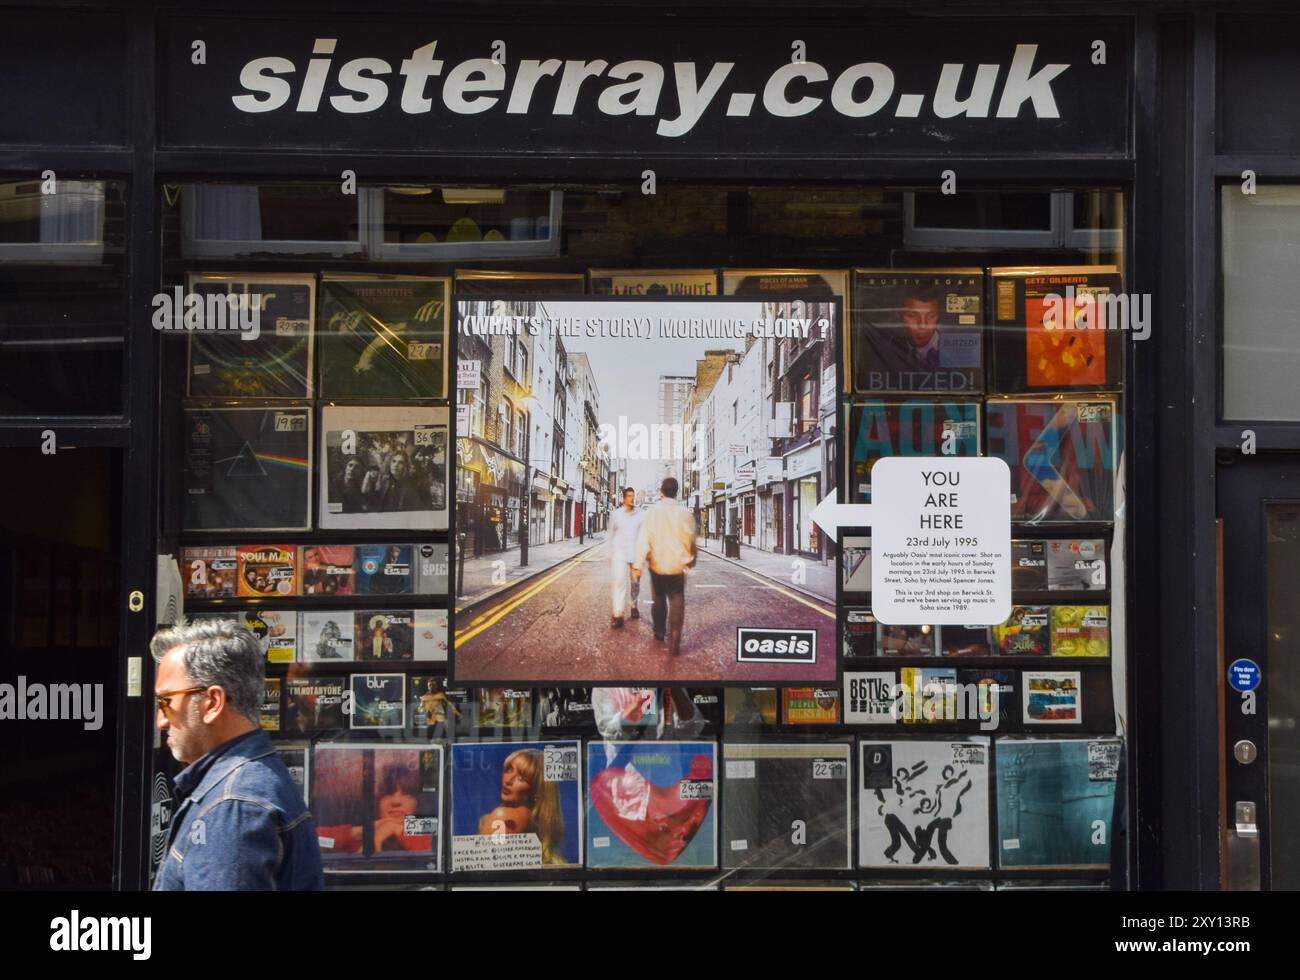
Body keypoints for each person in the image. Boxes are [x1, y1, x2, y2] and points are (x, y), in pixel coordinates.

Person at [151, 620, 323, 890]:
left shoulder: (233, 806)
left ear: (213, 702)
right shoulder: (246, 784)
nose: (161, 720)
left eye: (166, 701)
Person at [632, 476, 697, 657]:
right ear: (677, 491)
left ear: (661, 491)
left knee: (658, 597)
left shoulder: (652, 512)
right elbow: (691, 539)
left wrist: (638, 564)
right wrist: (691, 559)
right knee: (677, 598)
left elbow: (644, 539)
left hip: (657, 564)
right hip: (677, 564)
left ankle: (660, 631)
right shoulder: (685, 512)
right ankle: (675, 633)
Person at [477, 747, 567, 865]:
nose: (508, 780)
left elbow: (482, 871)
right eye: (509, 770)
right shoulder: (535, 826)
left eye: (521, 778)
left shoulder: (503, 815)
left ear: (537, 791)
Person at [608, 486, 643, 628]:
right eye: (629, 496)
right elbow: (610, 535)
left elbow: (644, 535)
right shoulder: (616, 515)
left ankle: (634, 604)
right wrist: (609, 554)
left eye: (633, 496)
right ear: (623, 498)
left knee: (635, 583)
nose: (631, 498)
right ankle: (618, 614)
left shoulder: (641, 514)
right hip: (620, 554)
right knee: (619, 583)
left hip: (635, 554)